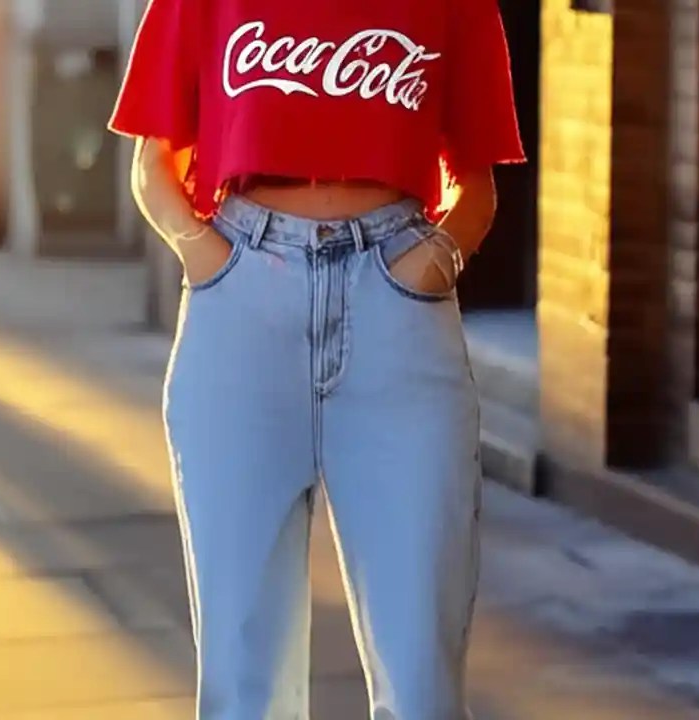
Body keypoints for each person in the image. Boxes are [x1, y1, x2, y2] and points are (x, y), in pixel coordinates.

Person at [110, 0, 524, 717]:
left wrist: (436, 261)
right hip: (243, 297)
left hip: (396, 302)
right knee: (246, 675)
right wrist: (203, 254)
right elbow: (153, 164)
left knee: (421, 665)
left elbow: (478, 182)